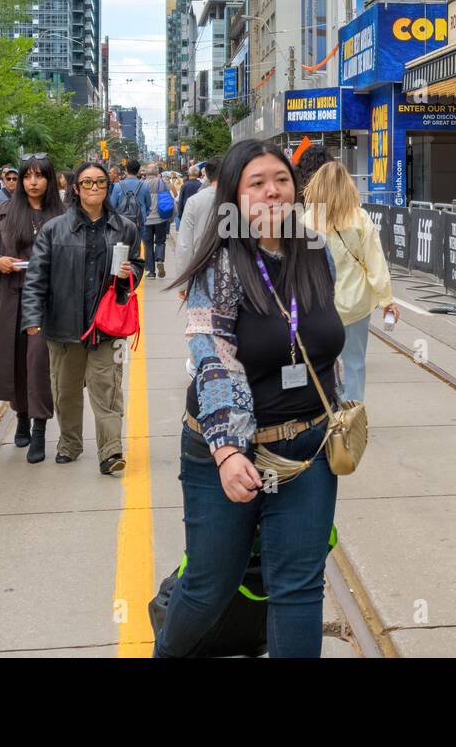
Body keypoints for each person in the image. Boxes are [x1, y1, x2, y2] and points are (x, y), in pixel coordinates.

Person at [156, 139, 344, 659]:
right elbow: (213, 355)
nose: (271, 192)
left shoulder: (313, 248)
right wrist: (227, 448)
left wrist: (336, 406)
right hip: (227, 453)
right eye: (256, 183)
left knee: (299, 588)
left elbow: (325, 342)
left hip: (307, 450)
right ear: (234, 196)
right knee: (210, 586)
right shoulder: (220, 262)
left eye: (280, 180)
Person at [21, 160, 144, 474]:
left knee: (108, 390)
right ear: (75, 188)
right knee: (66, 392)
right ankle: (70, 443)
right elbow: (36, 277)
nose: (94, 188)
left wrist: (130, 276)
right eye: (87, 183)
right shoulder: (54, 229)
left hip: (107, 325)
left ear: (108, 186)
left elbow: (138, 266)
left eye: (100, 182)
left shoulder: (124, 227)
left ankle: (111, 451)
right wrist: (32, 317)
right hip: (63, 326)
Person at [0, 155, 65, 462]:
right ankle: (21, 417)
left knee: (38, 362)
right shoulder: (4, 211)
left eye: (40, 176)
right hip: (11, 295)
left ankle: (40, 427)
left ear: (50, 180)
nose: (33, 182)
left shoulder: (63, 214)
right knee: (14, 362)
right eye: (28, 176)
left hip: (46, 301)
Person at [303, 160, 397, 402]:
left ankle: (327, 410)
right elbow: (375, 262)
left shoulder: (306, 221)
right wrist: (387, 300)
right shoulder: (360, 218)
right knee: (354, 363)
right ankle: (353, 414)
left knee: (322, 362)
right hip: (356, 305)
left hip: (319, 305)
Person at [175, 156, 220, 279]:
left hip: (202, 268)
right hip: (235, 273)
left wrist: (183, 281)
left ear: (207, 174)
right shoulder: (240, 198)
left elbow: (185, 245)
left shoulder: (194, 201)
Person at [140, 163, 175, 279]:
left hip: (146, 220)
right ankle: (159, 260)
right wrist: (171, 217)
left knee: (148, 245)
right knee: (160, 241)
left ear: (145, 173)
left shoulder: (142, 185)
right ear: (156, 173)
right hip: (161, 218)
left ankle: (150, 271)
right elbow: (171, 198)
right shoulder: (162, 182)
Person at [108, 158, 149, 230]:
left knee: (121, 241)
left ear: (126, 169)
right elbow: (148, 205)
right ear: (138, 170)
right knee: (140, 240)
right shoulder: (145, 185)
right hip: (139, 222)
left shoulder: (118, 186)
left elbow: (112, 206)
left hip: (122, 223)